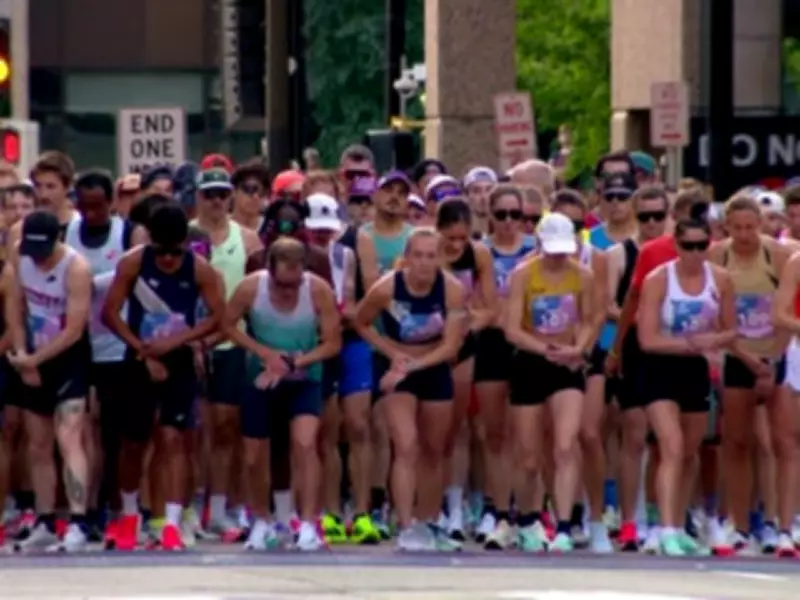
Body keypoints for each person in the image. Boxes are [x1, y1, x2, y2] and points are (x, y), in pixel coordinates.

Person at [101, 202, 224, 551]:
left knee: (174, 439)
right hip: (139, 359)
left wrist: (180, 340)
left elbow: (219, 317)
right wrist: (141, 348)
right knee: (134, 443)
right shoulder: (133, 263)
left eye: (175, 252)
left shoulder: (199, 269)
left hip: (179, 360)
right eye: (161, 252)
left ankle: (171, 522)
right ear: (150, 242)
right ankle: (128, 516)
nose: (168, 260)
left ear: (185, 244)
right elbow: (110, 313)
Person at [224, 237, 341, 551]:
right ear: (269, 270)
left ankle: (307, 523)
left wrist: (293, 362)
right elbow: (227, 325)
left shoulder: (318, 290)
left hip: (305, 377)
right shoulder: (251, 288)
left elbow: (332, 343)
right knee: (253, 455)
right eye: (282, 285)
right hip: (259, 378)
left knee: (305, 444)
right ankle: (261, 520)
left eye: (295, 284)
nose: (289, 291)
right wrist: (264, 353)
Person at [354, 227, 466, 551]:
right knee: (406, 445)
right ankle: (405, 525)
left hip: (431, 365)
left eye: (431, 256)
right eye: (417, 255)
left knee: (434, 449)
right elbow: (361, 322)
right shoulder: (387, 288)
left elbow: (451, 344)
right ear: (407, 258)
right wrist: (391, 353)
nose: (424, 263)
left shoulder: (452, 290)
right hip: (396, 366)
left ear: (440, 258)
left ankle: (427, 520)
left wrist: (414, 365)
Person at [636, 218, 736, 556]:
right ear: (676, 246)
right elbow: (647, 339)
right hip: (659, 369)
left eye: (701, 246)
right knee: (671, 446)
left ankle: (678, 523)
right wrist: (692, 343)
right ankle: (663, 527)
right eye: (688, 246)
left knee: (691, 452)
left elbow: (730, 330)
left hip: (694, 370)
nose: (695, 254)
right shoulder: (658, 280)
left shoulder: (720, 279)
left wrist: (710, 341)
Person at [65, 170, 149, 542]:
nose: (92, 213)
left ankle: (118, 506)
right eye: (85, 207)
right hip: (78, 343)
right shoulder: (66, 234)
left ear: (111, 202)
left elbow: (134, 277)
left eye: (98, 206)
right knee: (86, 429)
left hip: (118, 344)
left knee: (116, 433)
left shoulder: (127, 232)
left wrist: (87, 281)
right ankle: (89, 507)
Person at [505, 212, 595, 553]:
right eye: (552, 250)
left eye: (564, 250)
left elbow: (589, 319)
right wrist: (545, 349)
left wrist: (578, 348)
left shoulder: (582, 275)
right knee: (528, 455)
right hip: (531, 360)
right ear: (540, 243)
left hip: (566, 364)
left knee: (564, 445)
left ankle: (565, 524)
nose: (559, 257)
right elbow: (512, 328)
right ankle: (527, 518)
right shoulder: (523, 275)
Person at [708, 195, 793, 556]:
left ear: (761, 224)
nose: (745, 235)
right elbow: (717, 315)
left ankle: (776, 521)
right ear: (727, 227)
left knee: (777, 442)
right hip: (737, 355)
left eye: (751, 227)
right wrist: (743, 357)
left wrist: (771, 359)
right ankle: (739, 524)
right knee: (737, 442)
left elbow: (788, 309)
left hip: (776, 353)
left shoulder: (779, 255)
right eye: (737, 228)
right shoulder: (719, 257)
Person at [5, 210, 93, 552]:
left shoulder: (76, 268)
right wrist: (22, 353)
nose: (38, 260)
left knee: (68, 434)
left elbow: (75, 328)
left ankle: (78, 521)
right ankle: (44, 519)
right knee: (37, 442)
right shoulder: (20, 255)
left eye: (43, 252)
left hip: (67, 356)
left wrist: (35, 360)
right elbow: (15, 306)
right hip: (33, 349)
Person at [304, 193, 381, 544]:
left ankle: (362, 512)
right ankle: (332, 511)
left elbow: (349, 301)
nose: (322, 236)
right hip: (318, 345)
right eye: (316, 230)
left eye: (327, 230)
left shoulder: (344, 253)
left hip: (350, 343)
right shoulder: (293, 257)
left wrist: (339, 315)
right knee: (328, 432)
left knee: (359, 426)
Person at [190, 168, 262, 541]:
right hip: (190, 342)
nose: (216, 202)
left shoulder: (247, 239)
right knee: (192, 430)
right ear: (198, 197)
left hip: (232, 342)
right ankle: (188, 505)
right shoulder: (186, 236)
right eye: (209, 195)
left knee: (226, 428)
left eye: (222, 194)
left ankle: (219, 508)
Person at [604, 186, 670, 550]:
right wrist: (639, 316)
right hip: (635, 348)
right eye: (644, 216)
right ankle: (631, 519)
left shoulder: (681, 251)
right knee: (633, 434)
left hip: (672, 350)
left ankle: (666, 517)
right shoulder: (620, 254)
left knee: (671, 441)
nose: (651, 223)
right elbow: (608, 304)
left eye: (658, 216)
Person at [474, 183, 536, 548]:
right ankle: (498, 511)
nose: (511, 223)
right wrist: (498, 314)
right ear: (490, 216)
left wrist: (502, 313)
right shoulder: (480, 252)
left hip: (528, 343)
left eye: (518, 215)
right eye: (503, 215)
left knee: (527, 436)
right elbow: (480, 303)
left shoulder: (536, 251)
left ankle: (529, 512)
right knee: (494, 434)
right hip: (492, 344)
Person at [435, 198, 497, 540]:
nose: (457, 245)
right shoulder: (426, 252)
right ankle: (433, 502)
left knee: (459, 427)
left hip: (465, 343)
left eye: (463, 238)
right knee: (433, 430)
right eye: (451, 238)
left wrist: (468, 323)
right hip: (430, 343)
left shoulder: (479, 255)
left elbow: (491, 308)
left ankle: (457, 506)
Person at [230, 161, 271, 232]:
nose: (256, 197)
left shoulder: (270, 230)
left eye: (262, 192)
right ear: (234, 191)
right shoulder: (219, 228)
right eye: (250, 189)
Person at [463, 166, 498, 238]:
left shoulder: (509, 221)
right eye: (476, 191)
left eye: (488, 190)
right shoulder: (462, 226)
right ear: (467, 196)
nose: (484, 197)